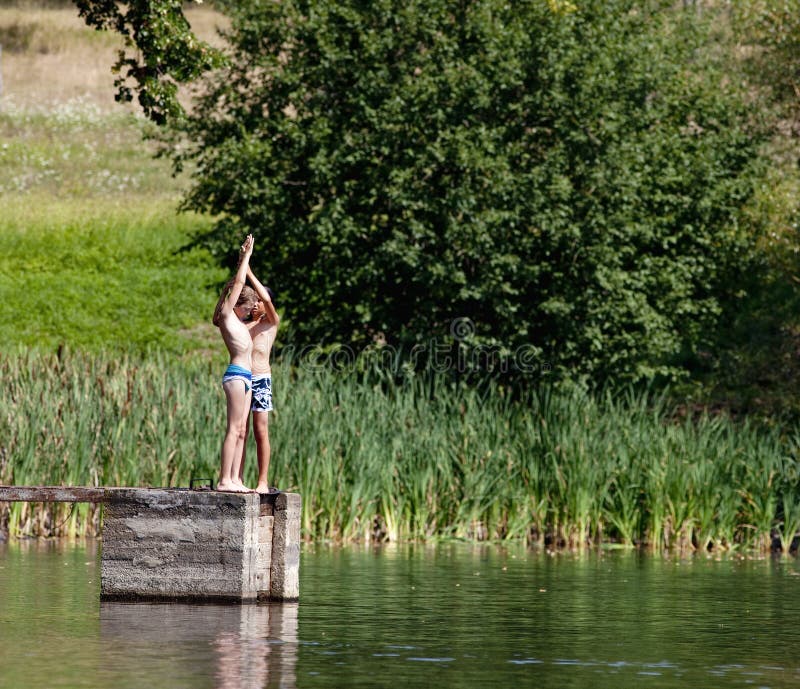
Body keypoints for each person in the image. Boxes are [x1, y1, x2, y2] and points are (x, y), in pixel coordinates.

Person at [212, 234, 258, 493]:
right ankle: (224, 480)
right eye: (248, 306)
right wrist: (245, 259)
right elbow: (239, 282)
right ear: (236, 303)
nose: (251, 310)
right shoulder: (228, 316)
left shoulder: (238, 323)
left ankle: (236, 479)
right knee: (233, 428)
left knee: (242, 429)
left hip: (247, 377)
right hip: (236, 376)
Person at [241, 266, 281, 494]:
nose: (256, 303)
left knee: (260, 430)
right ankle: (237, 478)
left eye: (259, 300)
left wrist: (248, 271)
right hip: (244, 379)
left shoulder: (270, 324)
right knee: (241, 430)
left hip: (262, 380)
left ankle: (262, 481)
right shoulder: (244, 326)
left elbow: (265, 296)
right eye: (253, 300)